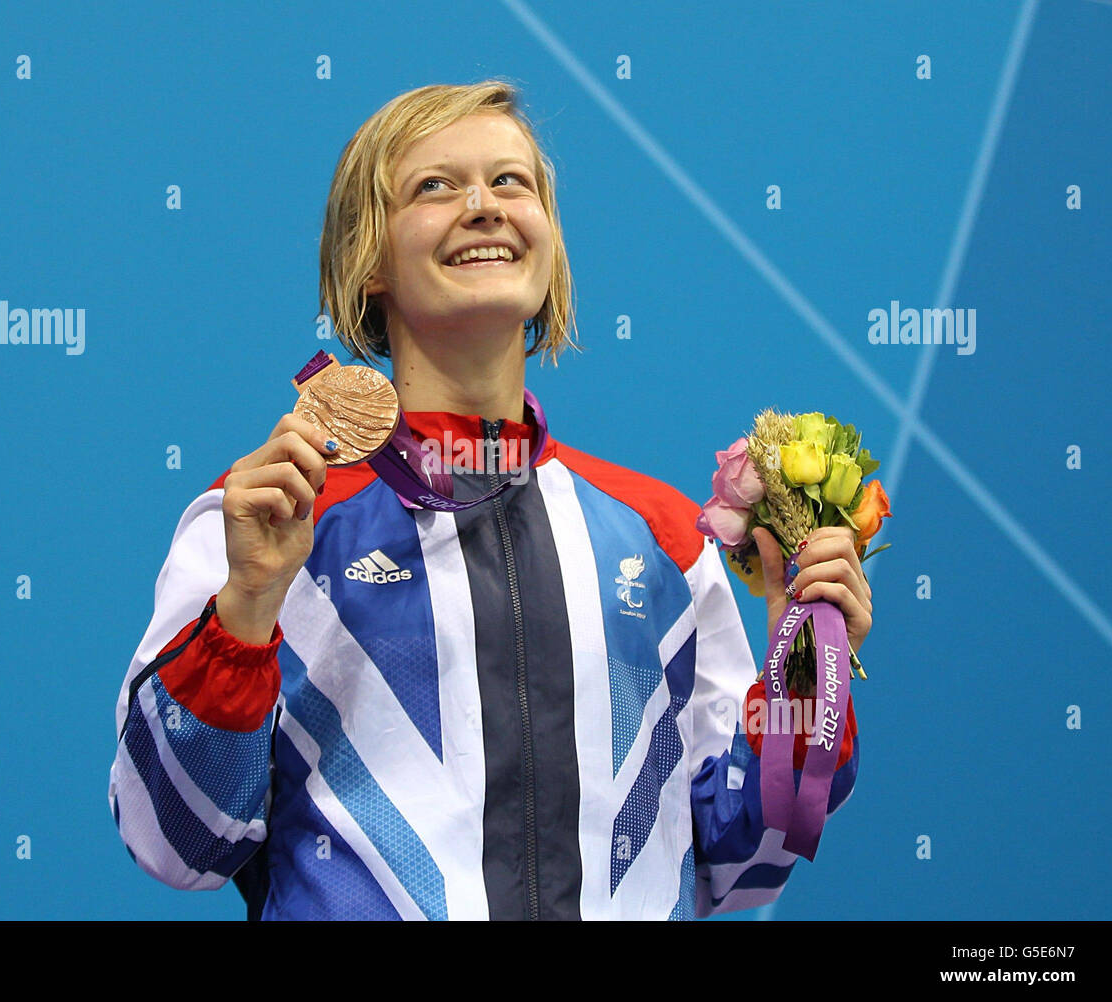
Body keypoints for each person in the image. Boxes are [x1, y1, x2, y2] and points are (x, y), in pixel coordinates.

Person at [108, 80, 873, 920]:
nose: (485, 207)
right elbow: (175, 842)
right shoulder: (271, 520)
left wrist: (806, 668)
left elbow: (740, 864)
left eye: (513, 183)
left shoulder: (657, 539)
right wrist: (247, 607)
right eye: (435, 187)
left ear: (549, 248)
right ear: (366, 263)